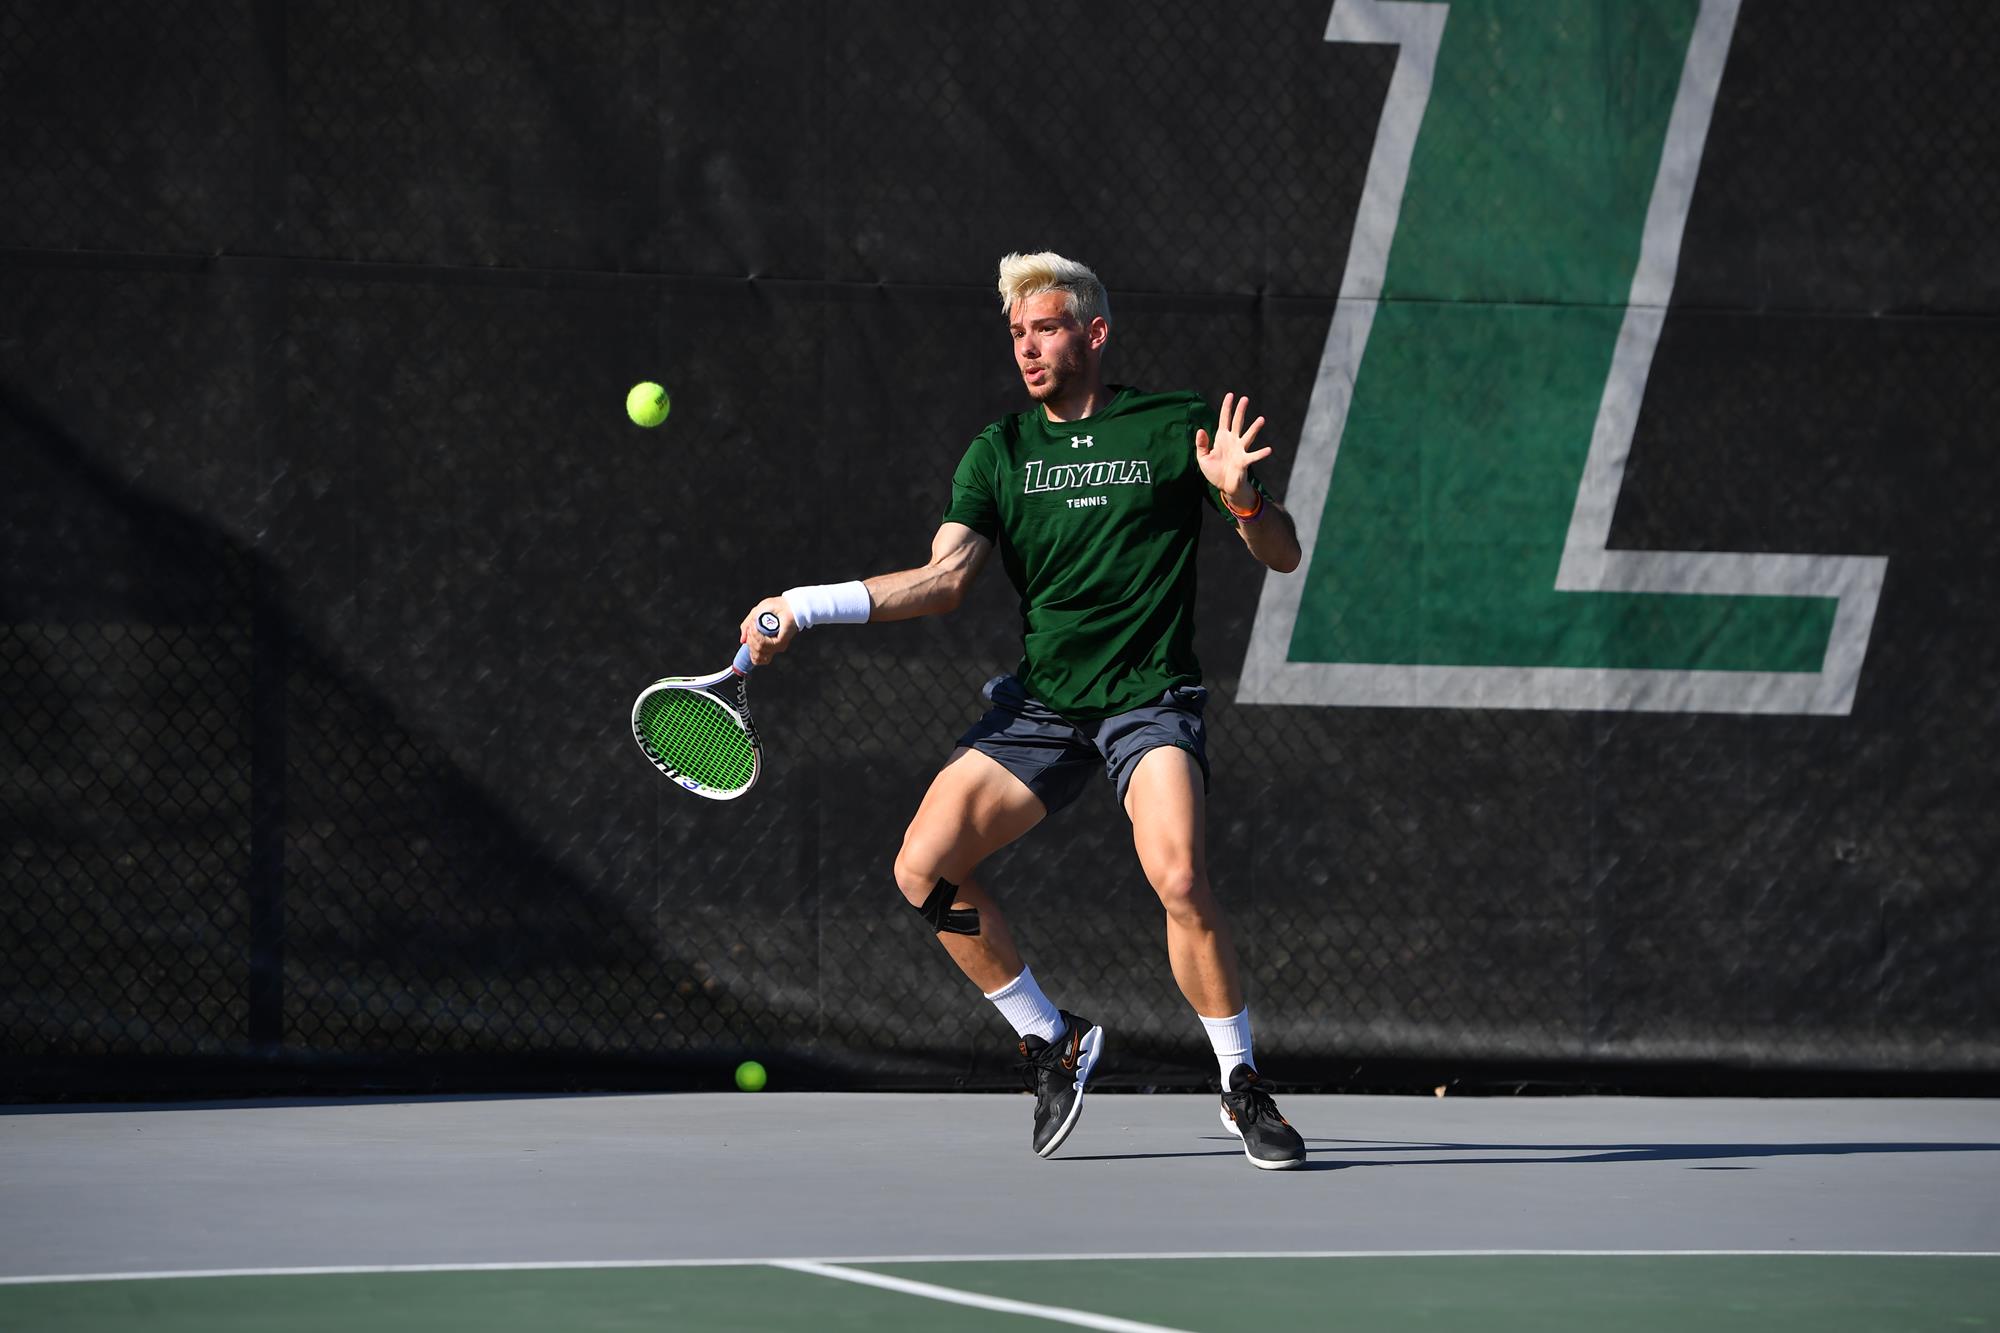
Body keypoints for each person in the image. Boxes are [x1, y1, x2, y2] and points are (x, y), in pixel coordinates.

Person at [740, 252, 1308, 1169]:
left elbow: (1280, 554)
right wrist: (806, 604)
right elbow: (944, 579)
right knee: (922, 868)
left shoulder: (1174, 425)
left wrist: (1242, 498)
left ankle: (1242, 1086)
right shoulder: (998, 450)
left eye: (1045, 328)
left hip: (1147, 695)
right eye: (1015, 335)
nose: (1028, 348)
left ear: (1093, 332)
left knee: (1179, 875)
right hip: (1044, 706)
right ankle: (1052, 1039)